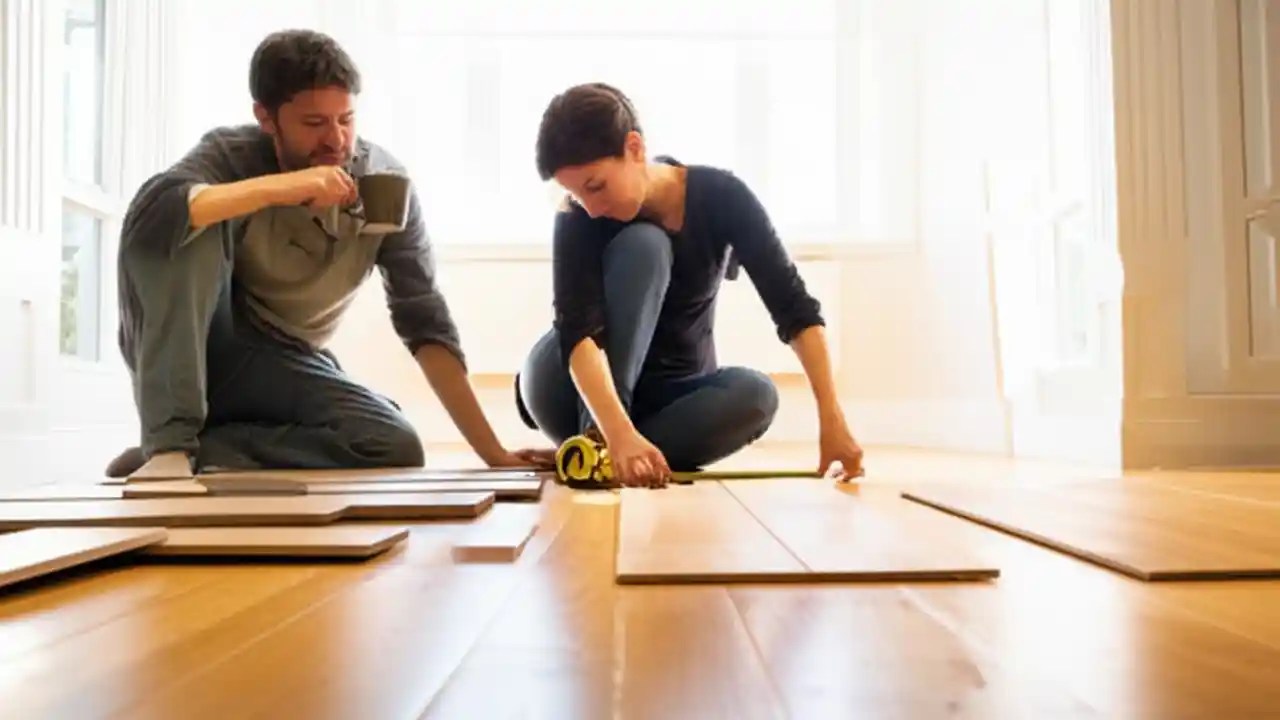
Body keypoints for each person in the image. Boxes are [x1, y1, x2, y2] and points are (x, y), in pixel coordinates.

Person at [106, 29, 553, 479]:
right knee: (185, 216)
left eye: (346, 119)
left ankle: (204, 452)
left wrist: (494, 453)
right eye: (314, 123)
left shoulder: (383, 183)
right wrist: (286, 187)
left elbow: (424, 320)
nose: (336, 140)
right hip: (197, 341)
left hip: (283, 361)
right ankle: (168, 449)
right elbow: (155, 212)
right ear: (266, 118)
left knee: (393, 443)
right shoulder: (229, 156)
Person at [515, 82, 865, 488]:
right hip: (572, 388)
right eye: (575, 195)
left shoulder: (721, 196)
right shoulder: (575, 217)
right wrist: (613, 431)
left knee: (758, 396)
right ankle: (598, 441)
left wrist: (833, 420)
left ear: (634, 148)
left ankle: (598, 454)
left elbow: (794, 307)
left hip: (668, 397)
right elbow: (578, 334)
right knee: (645, 245)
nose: (590, 209)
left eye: (595, 186)